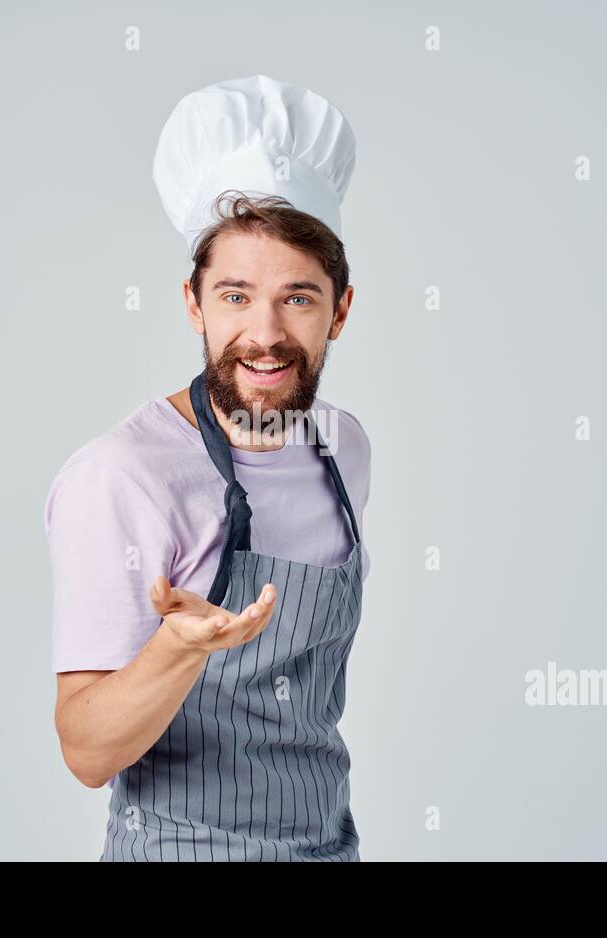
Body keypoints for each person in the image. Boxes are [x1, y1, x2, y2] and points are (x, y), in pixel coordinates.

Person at [45, 75, 371, 861]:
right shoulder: (122, 476)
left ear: (341, 309)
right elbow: (87, 752)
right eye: (235, 296)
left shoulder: (344, 451)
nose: (265, 333)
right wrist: (177, 649)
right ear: (194, 306)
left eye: (297, 298)